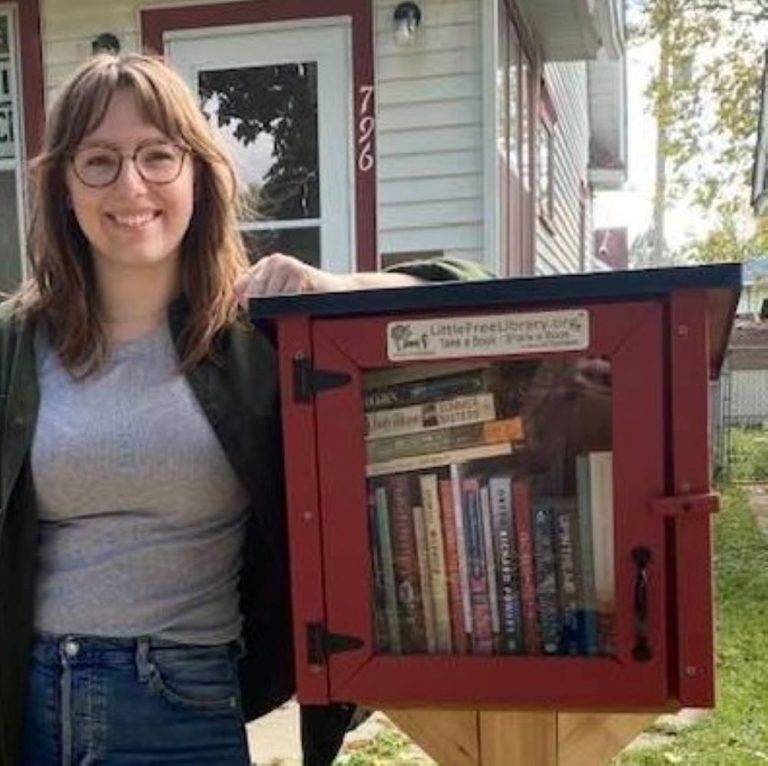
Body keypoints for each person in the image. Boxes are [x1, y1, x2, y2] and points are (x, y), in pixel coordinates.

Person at [0, 53, 489, 766]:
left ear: (198, 174)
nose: (130, 185)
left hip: (182, 702)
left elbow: (472, 290)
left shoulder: (256, 334)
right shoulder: (17, 344)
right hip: (26, 706)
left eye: (157, 156)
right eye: (98, 161)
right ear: (65, 187)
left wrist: (337, 287)